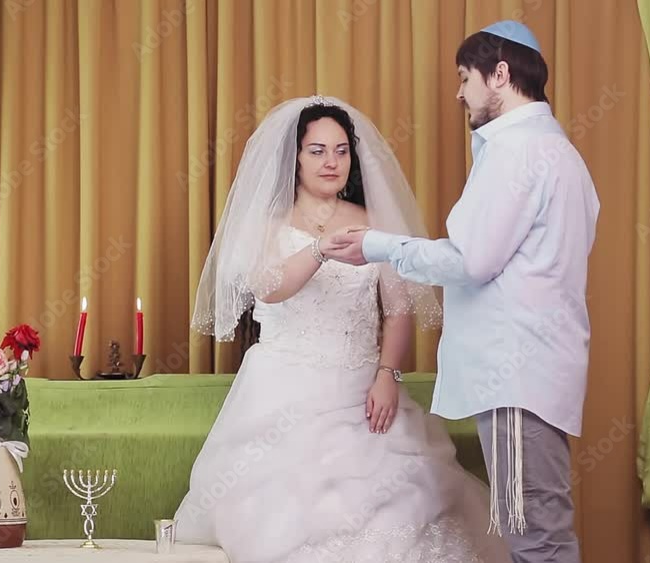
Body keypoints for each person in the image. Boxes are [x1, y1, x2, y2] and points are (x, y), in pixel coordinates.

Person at [177, 95, 511, 563]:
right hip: (282, 386)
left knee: (405, 504)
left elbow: (398, 310)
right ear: (293, 157)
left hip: (361, 389)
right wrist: (318, 250)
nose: (330, 162)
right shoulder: (267, 224)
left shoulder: (372, 224)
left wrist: (387, 375)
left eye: (340, 150)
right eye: (316, 150)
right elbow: (268, 290)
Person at [327, 21, 599, 563]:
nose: (459, 93)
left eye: (465, 78)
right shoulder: (558, 151)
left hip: (516, 373)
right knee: (538, 531)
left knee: (537, 540)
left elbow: (470, 260)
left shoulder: (516, 152)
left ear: (500, 74)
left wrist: (379, 245)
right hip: (533, 370)